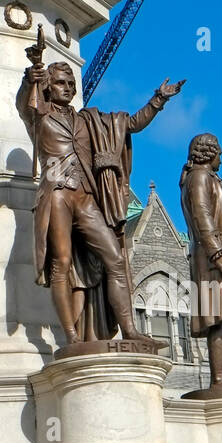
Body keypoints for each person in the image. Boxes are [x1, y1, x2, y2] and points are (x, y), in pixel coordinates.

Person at [16, 59, 184, 345]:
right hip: (57, 193)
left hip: (86, 198)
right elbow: (23, 104)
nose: (67, 88)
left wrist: (158, 100)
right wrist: (28, 79)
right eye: (60, 83)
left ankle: (130, 331)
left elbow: (129, 124)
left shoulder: (89, 120)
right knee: (62, 263)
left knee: (116, 260)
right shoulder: (39, 115)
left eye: (71, 84)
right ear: (47, 85)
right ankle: (71, 337)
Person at [179, 132, 222, 387]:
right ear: (209, 153)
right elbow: (202, 215)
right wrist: (218, 253)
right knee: (220, 319)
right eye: (219, 151)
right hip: (211, 259)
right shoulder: (198, 178)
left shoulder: (211, 178)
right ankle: (220, 380)